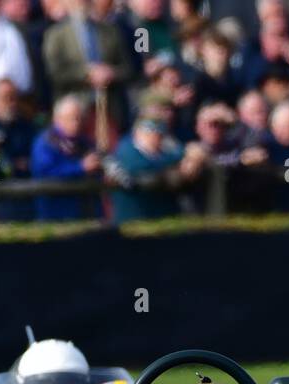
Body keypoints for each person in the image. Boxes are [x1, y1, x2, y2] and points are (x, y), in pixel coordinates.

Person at [43, 0, 133, 133]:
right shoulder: (56, 34)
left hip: (109, 108)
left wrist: (111, 73)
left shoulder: (110, 31)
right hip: (74, 108)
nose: (82, 3)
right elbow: (54, 73)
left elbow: (128, 69)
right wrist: (87, 73)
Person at [105, 114, 205, 222]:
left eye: (159, 131)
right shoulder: (125, 151)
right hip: (133, 222)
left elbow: (187, 152)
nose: (154, 135)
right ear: (137, 132)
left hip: (164, 222)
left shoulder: (165, 151)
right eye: (149, 130)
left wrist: (192, 157)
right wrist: (174, 171)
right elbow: (139, 170)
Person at [29, 92, 101, 220]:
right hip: (54, 215)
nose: (76, 123)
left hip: (84, 215)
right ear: (57, 119)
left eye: (79, 118)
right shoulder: (45, 143)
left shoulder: (85, 143)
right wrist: (80, 167)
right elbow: (46, 172)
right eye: (71, 118)